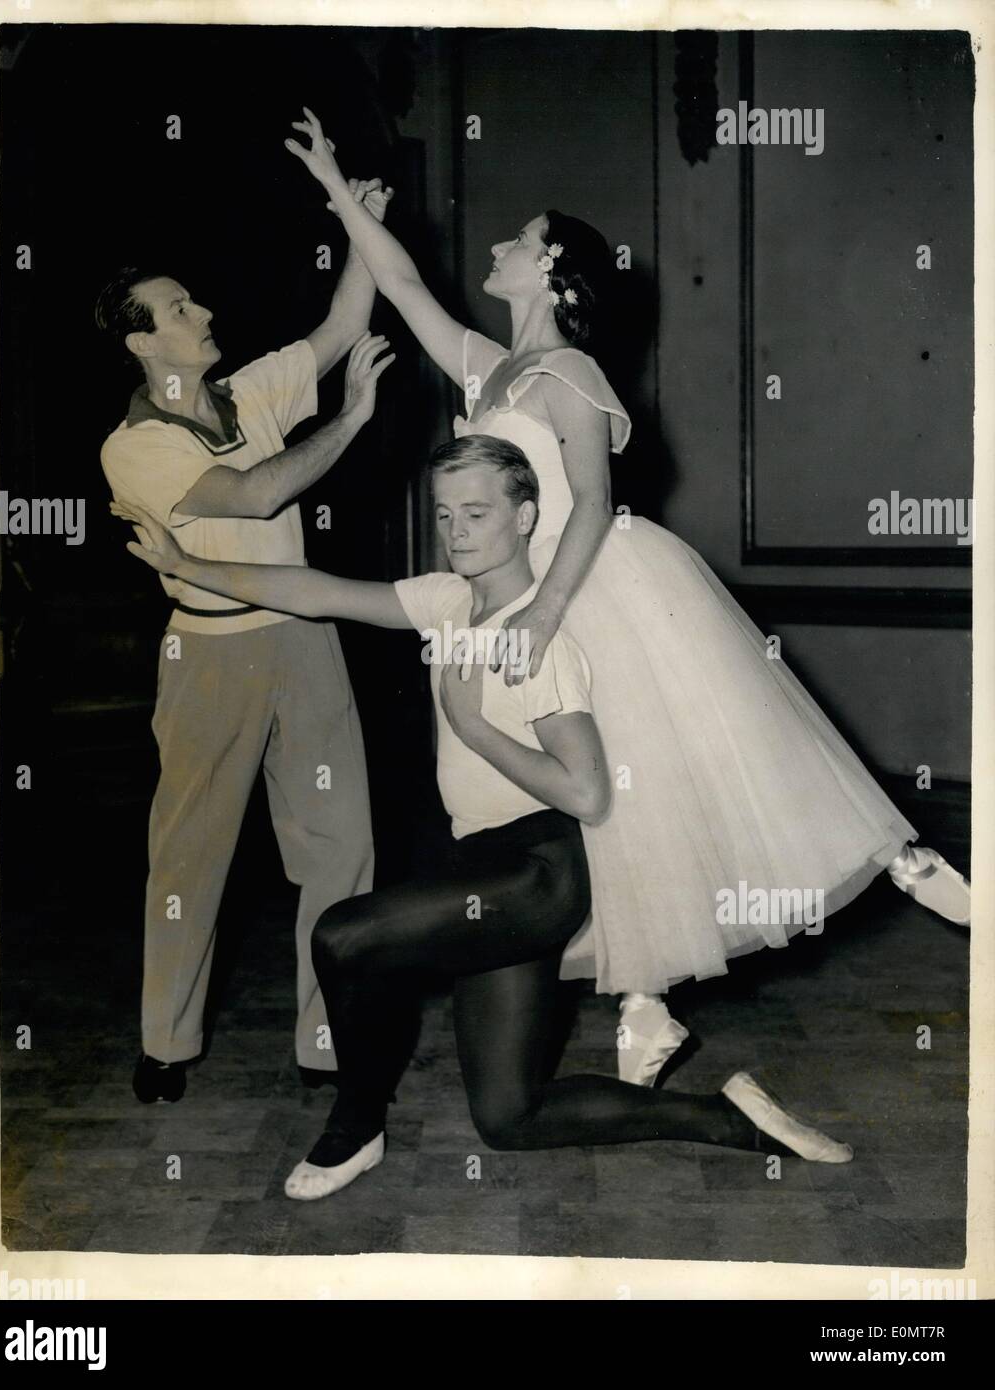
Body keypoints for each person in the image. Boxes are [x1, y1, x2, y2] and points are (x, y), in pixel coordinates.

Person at [283, 109, 971, 1089]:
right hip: (540, 589)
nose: (493, 245)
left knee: (686, 770)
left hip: (591, 581)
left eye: (515, 239)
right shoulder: (493, 370)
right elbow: (397, 283)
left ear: (552, 267)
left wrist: (540, 616)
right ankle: (643, 997)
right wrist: (336, 190)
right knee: (607, 807)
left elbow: (593, 504)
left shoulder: (568, 370)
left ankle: (897, 858)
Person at [112, 434, 854, 1199]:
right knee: (510, 1117)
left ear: (526, 517)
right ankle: (729, 1118)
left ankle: (356, 1123)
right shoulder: (447, 603)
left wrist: (475, 729)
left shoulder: (539, 640)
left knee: (343, 937)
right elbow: (318, 590)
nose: (457, 529)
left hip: (540, 871)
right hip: (485, 873)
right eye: (444, 513)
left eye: (476, 512)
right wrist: (188, 567)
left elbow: (589, 794)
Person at [96, 233, 394, 1102]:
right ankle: (166, 1041)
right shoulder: (133, 447)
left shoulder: (248, 389)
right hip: (209, 653)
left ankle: (326, 1044)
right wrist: (351, 418)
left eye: (196, 300)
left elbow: (342, 324)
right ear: (142, 343)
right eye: (179, 310)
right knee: (190, 857)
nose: (204, 313)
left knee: (343, 846)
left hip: (305, 638)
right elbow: (256, 494)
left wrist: (357, 220)